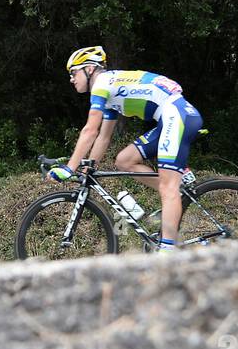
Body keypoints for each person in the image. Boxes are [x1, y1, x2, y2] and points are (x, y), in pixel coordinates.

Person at [54, 46, 203, 250]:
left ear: (89, 69)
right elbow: (103, 137)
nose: (71, 79)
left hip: (177, 115)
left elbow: (90, 130)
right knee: (124, 160)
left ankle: (167, 251)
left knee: (168, 188)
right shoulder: (110, 88)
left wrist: (69, 168)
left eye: (73, 72)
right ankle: (178, 191)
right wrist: (89, 167)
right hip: (171, 116)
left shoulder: (102, 84)